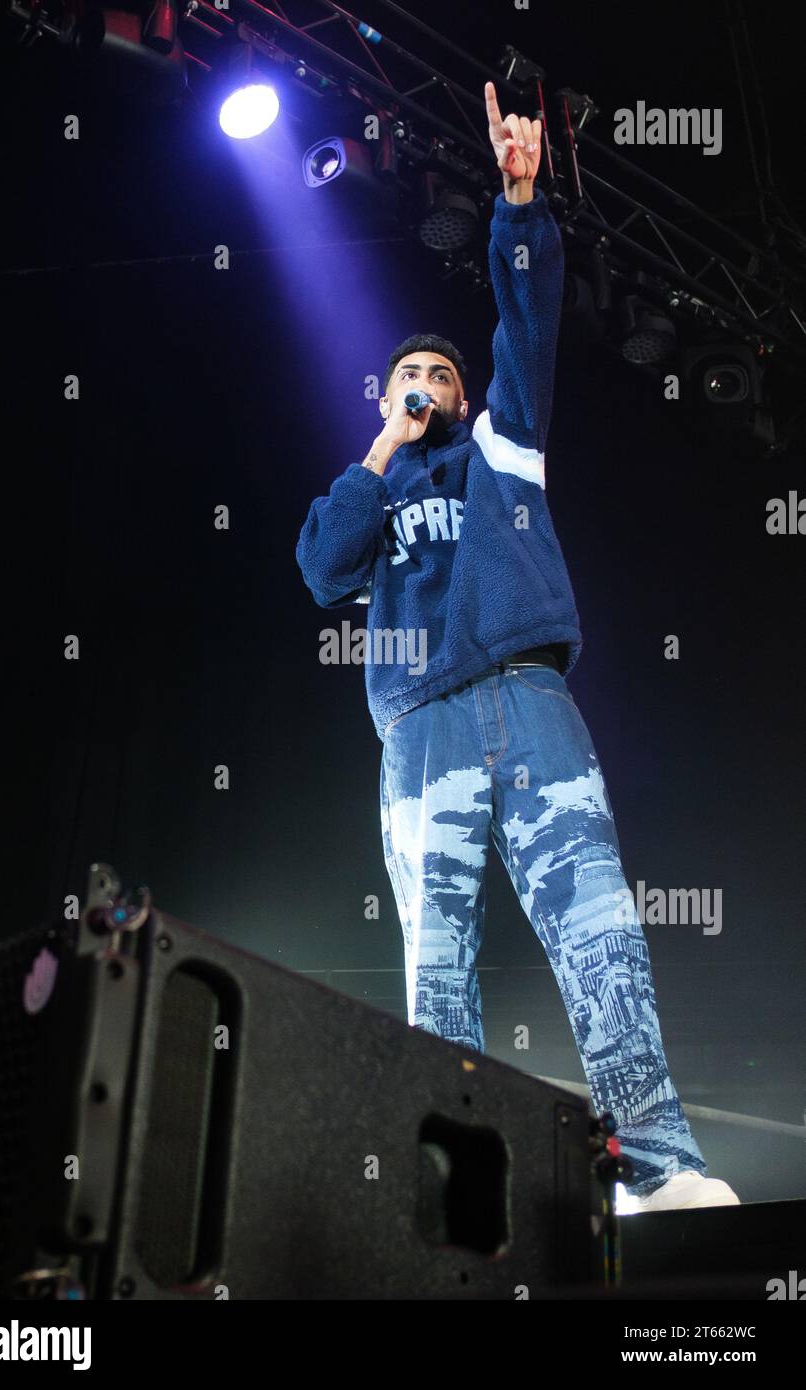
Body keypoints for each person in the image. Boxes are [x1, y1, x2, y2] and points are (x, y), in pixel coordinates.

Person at [296, 82, 738, 1213]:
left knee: (599, 938)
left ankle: (656, 1167)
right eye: (413, 379)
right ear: (388, 395)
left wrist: (518, 200)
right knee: (432, 976)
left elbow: (525, 323)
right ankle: (455, 1198)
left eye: (442, 377)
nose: (431, 389)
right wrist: (382, 443)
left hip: (530, 702)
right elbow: (318, 566)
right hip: (418, 730)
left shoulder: (504, 447)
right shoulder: (378, 491)